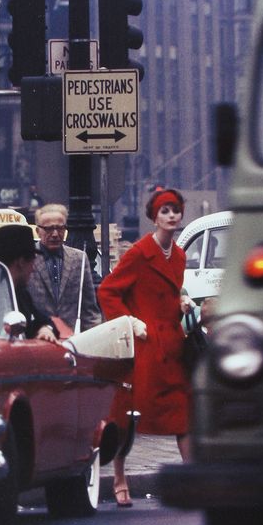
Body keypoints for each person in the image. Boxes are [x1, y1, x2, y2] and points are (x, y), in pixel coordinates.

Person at [97, 188, 194, 508]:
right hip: (145, 348)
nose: (172, 216)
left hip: (172, 347)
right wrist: (129, 322)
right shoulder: (139, 252)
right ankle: (121, 476)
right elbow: (109, 291)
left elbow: (169, 292)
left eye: (176, 210)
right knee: (130, 417)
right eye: (165, 211)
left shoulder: (179, 255)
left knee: (184, 416)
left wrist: (182, 302)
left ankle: (191, 477)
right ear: (154, 217)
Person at [27, 203, 102, 337]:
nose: (55, 234)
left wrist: (95, 339)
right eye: (49, 229)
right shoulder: (27, 259)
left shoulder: (79, 259)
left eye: (60, 228)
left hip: (71, 339)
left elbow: (89, 309)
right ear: (38, 231)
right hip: (37, 339)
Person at [0, 224, 60, 343]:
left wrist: (46, 329)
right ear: (21, 262)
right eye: (32, 262)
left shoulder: (22, 294)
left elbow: (43, 320)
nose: (33, 269)